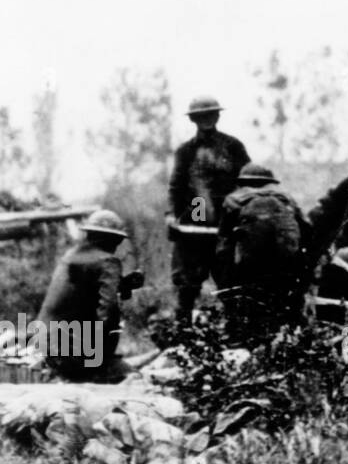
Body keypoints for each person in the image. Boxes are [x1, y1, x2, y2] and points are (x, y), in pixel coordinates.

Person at [168, 95, 251, 325]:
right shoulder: (186, 151)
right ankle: (182, 331)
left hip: (227, 216)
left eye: (211, 114)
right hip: (197, 213)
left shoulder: (233, 146)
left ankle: (236, 331)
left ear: (218, 116)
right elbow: (175, 187)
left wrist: (242, 204)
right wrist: (171, 215)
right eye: (201, 116)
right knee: (189, 281)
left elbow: (249, 178)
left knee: (228, 279)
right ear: (193, 119)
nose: (207, 120)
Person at [34, 209, 143, 381]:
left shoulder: (71, 256)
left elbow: (80, 293)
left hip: (47, 346)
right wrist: (103, 356)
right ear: (115, 239)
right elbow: (108, 311)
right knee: (133, 378)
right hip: (74, 353)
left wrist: (122, 285)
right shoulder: (109, 261)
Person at [215, 163, 311, 340]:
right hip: (287, 264)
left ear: (243, 181)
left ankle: (243, 336)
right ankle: (294, 336)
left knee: (251, 305)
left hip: (251, 266)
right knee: (287, 305)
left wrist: (224, 281)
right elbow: (307, 229)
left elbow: (223, 244)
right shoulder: (287, 199)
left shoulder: (233, 200)